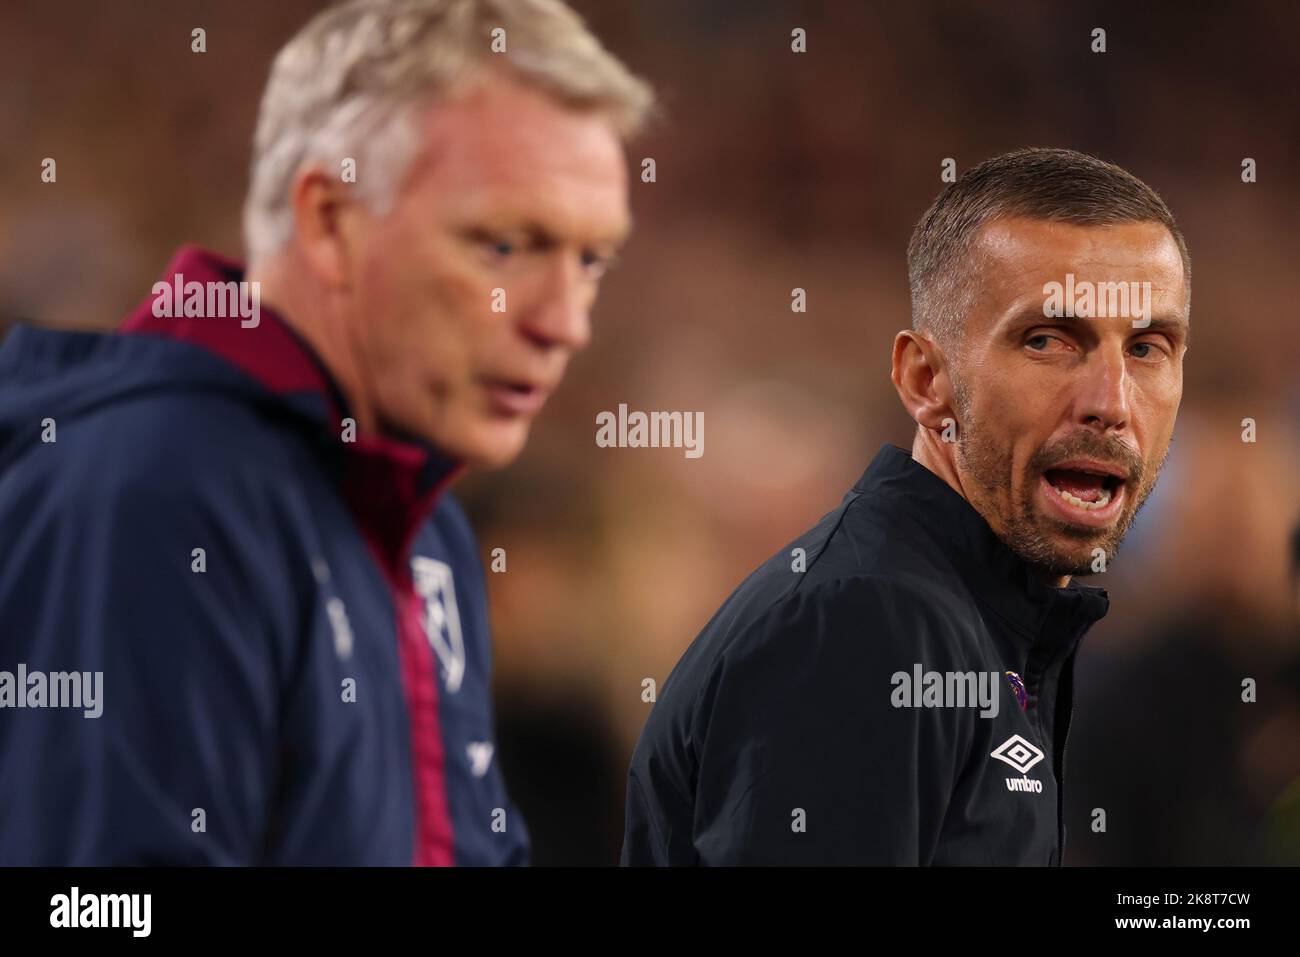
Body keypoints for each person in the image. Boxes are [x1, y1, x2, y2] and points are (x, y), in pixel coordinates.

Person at [0, 0, 652, 865]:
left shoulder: (426, 525)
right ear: (329, 221)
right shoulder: (152, 494)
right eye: (505, 245)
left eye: (591, 260)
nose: (565, 321)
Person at [622, 147, 1190, 865]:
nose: (1110, 403)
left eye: (1146, 348)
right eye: (1048, 340)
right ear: (926, 379)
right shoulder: (867, 624)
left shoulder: (980, 616)